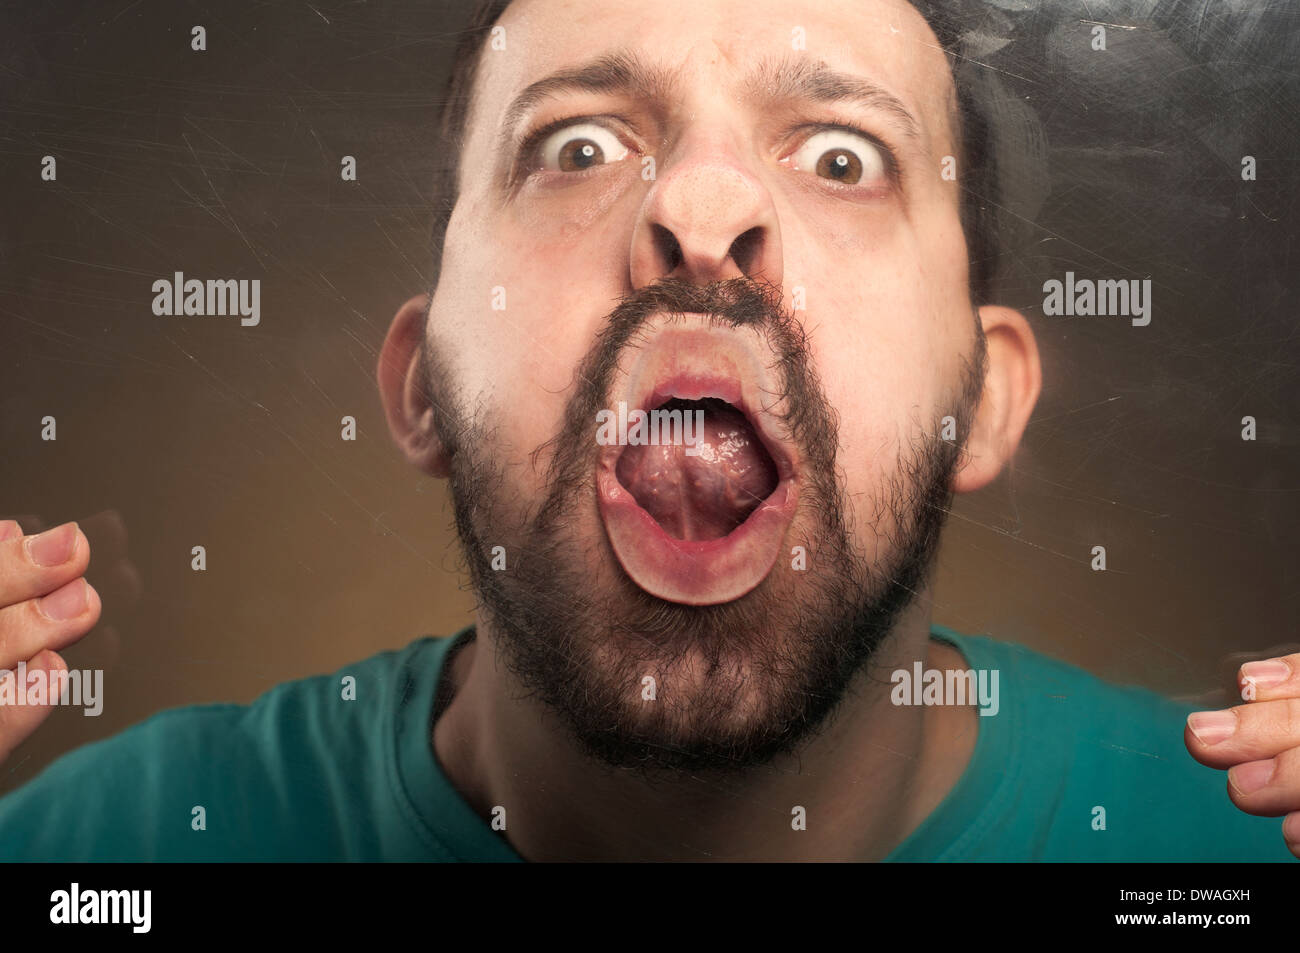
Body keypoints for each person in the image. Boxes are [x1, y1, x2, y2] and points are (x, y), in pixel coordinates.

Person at [0, 0, 1295, 862]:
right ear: (422, 385)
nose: (703, 206)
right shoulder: (107, 852)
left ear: (987, 397)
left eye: (843, 157)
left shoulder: (1235, 841)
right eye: (574, 143)